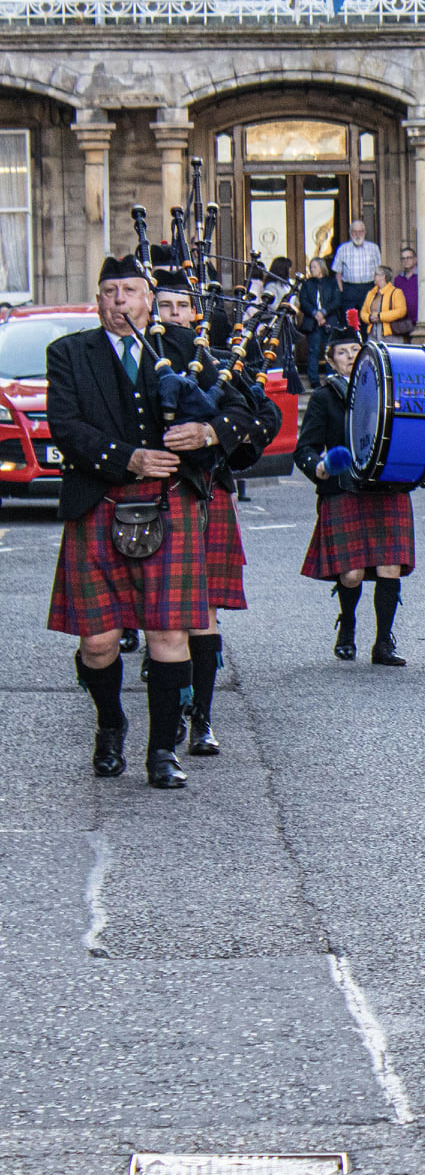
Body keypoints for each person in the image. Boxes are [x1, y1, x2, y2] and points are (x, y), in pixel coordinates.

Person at [46, 255, 259, 790]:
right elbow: (65, 428)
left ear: (148, 299)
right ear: (98, 301)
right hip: (99, 499)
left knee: (169, 633)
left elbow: (240, 411)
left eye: (130, 292)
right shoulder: (70, 353)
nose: (120, 303)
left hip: (171, 504)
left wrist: (209, 435)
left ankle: (162, 748)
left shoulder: (184, 350)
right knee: (98, 641)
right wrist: (129, 458)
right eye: (110, 292)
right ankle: (110, 721)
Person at [152, 267, 282, 758]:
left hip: (205, 493)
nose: (174, 315)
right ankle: (168, 695)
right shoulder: (146, 357)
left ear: (196, 312)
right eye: (165, 307)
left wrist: (215, 435)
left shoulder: (220, 359)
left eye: (181, 307)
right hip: (146, 497)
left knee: (202, 611)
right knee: (163, 617)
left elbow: (262, 416)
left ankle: (201, 717)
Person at [295, 326, 416, 666]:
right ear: (330, 360)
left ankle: (383, 642)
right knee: (352, 574)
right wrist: (321, 467)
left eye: (354, 350)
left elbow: (410, 431)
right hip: (344, 487)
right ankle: (347, 624)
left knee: (389, 566)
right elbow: (305, 448)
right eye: (342, 352)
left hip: (387, 486)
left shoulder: (389, 391)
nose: (350, 357)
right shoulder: (324, 397)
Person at [298, 255, 342, 387]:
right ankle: (314, 380)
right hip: (312, 323)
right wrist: (315, 313)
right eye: (311, 267)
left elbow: (336, 301)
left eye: (314, 267)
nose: (312, 269)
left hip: (329, 321)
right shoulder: (307, 284)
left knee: (329, 351)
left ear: (322, 268)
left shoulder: (332, 282)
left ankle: (331, 378)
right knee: (313, 350)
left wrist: (323, 313)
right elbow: (303, 301)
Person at [331, 220, 381, 314]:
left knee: (367, 320)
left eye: (360, 232)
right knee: (349, 321)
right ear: (350, 233)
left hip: (368, 287)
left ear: (364, 232)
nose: (358, 235)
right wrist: (342, 291)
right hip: (349, 289)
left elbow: (378, 271)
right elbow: (338, 273)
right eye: (355, 232)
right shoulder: (342, 249)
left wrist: (377, 289)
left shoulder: (373, 248)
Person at [361, 266, 407, 343]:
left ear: (383, 276)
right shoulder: (371, 293)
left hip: (391, 336)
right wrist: (369, 317)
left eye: (376, 274)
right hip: (373, 335)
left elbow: (401, 311)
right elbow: (363, 312)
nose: (374, 277)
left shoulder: (396, 292)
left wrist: (380, 316)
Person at [393, 246, 420, 332]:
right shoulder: (398, 280)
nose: (406, 260)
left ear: (415, 260)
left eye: (409, 258)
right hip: (403, 323)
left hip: (419, 322)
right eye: (403, 258)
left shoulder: (421, 277)